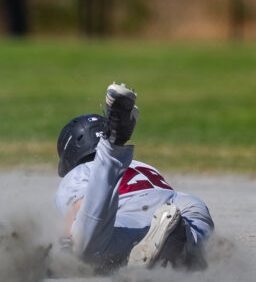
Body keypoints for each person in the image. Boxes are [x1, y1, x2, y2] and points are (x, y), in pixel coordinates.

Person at [55, 83, 214, 272]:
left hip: (134, 218)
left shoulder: (79, 172)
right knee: (196, 242)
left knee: (84, 252)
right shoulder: (140, 164)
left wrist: (68, 247)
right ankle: (185, 240)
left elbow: (81, 210)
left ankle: (113, 144)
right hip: (187, 207)